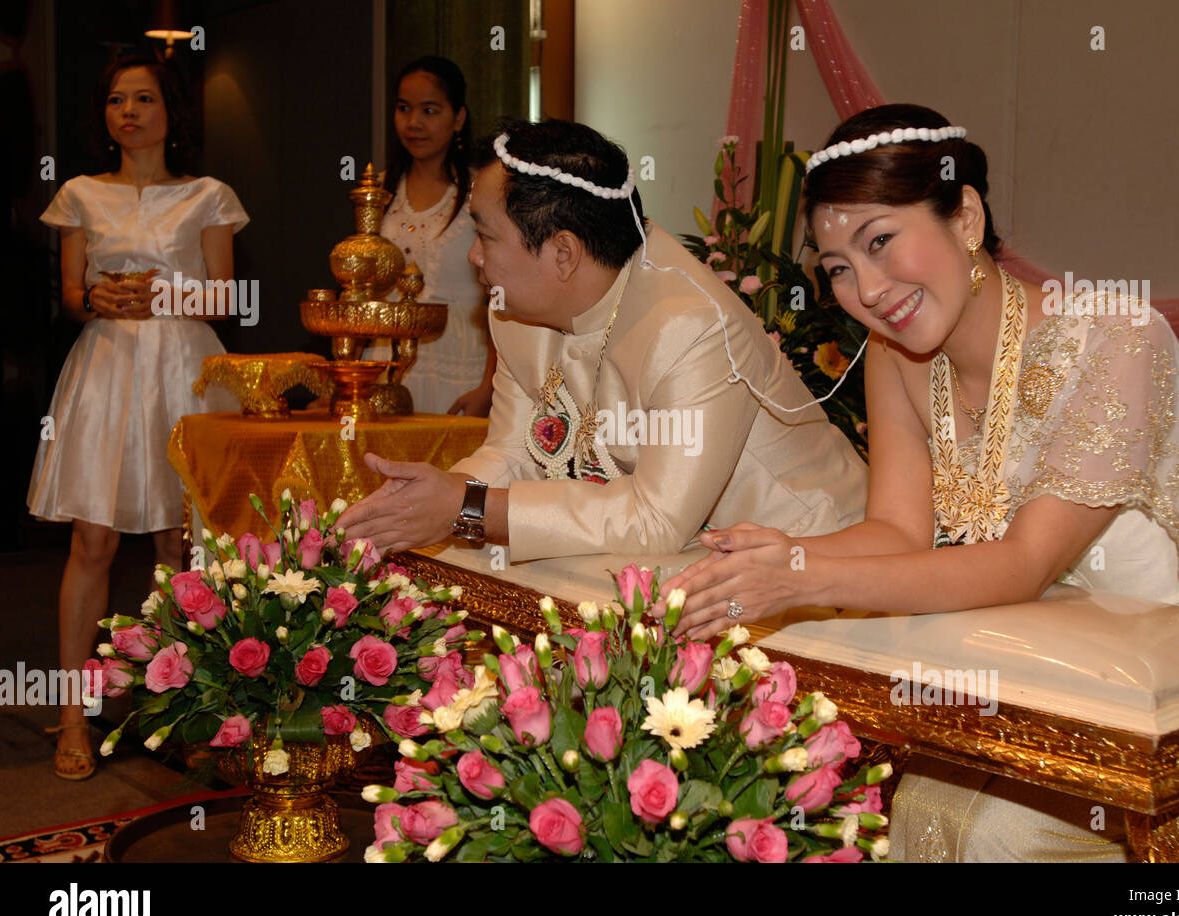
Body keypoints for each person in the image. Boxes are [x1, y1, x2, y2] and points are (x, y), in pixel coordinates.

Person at [657, 104, 1179, 861]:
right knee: (921, 805)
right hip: (1050, 672)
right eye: (837, 269)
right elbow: (897, 531)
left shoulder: (1116, 337)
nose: (866, 289)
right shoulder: (895, 355)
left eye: (881, 242)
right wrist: (784, 556)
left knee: (987, 831)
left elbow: (1024, 563)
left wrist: (800, 581)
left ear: (965, 216)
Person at [337, 119, 866, 561]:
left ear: (563, 253)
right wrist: (429, 500)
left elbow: (658, 520)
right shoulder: (516, 308)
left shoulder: (692, 325)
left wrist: (468, 508)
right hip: (677, 562)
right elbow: (514, 448)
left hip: (811, 554)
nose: (474, 257)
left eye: (485, 235)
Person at [29, 54, 247, 780]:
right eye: (117, 98)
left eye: (144, 97)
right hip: (106, 369)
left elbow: (225, 297)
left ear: (169, 111)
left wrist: (164, 296)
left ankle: (186, 703)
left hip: (185, 369)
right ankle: (71, 716)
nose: (129, 110)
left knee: (178, 542)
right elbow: (69, 292)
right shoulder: (81, 193)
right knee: (91, 539)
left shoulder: (207, 194)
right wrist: (99, 299)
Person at [360, 56, 494, 416]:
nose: (414, 123)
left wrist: (489, 385)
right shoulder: (379, 192)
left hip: (462, 368)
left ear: (459, 119)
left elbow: (501, 298)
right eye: (404, 108)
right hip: (384, 365)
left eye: (430, 110)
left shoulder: (482, 190)